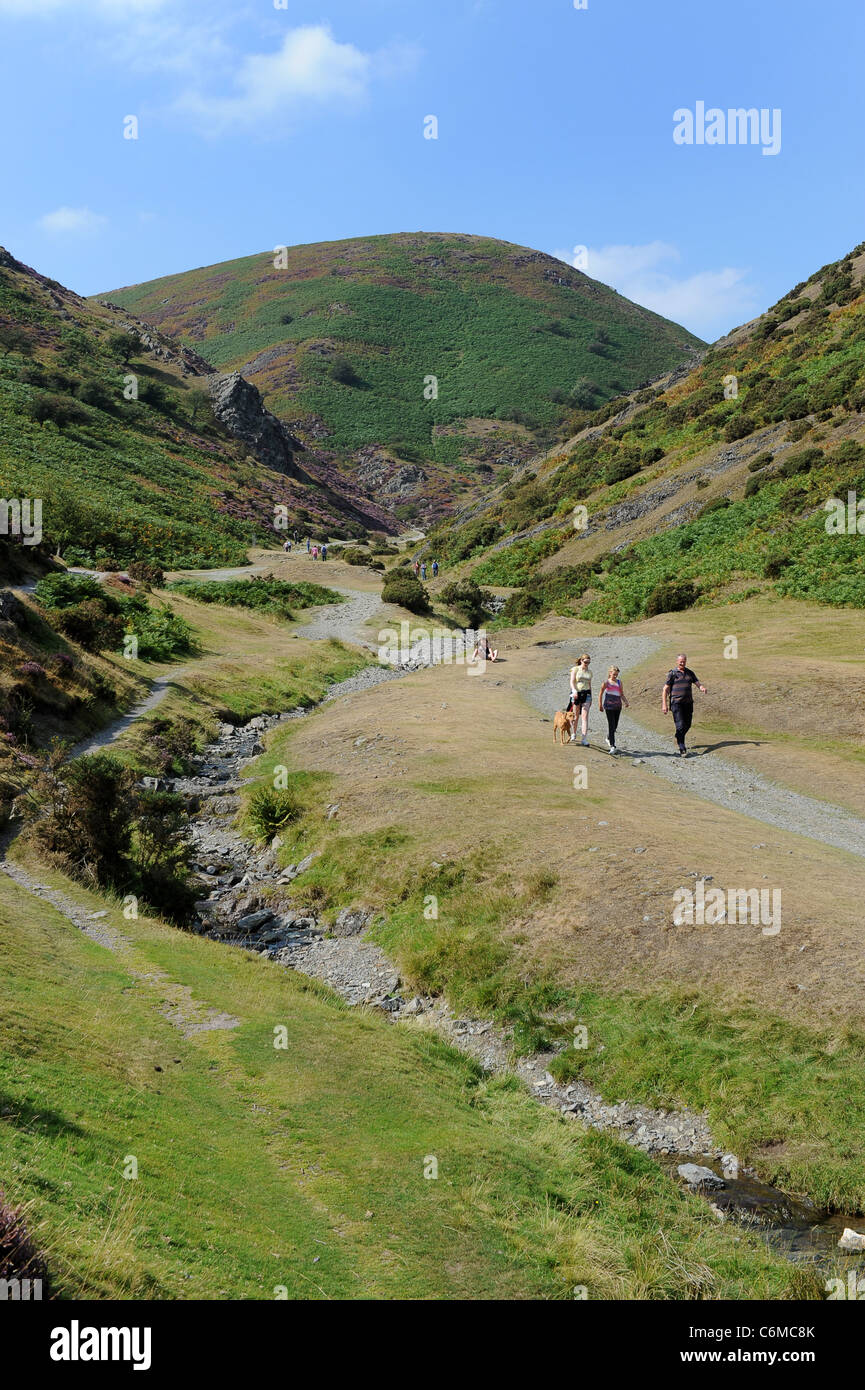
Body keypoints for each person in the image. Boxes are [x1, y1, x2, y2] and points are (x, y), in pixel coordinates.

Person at [662, 652, 708, 757]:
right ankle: (682, 748)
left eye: (684, 661)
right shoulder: (672, 674)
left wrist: (702, 688)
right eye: (680, 661)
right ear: (677, 661)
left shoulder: (690, 673)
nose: (682, 663)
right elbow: (665, 690)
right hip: (676, 704)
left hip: (688, 703)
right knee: (680, 725)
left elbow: (697, 683)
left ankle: (678, 735)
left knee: (687, 725)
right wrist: (664, 705)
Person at [598, 665, 629, 755]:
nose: (615, 676)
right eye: (614, 674)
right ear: (610, 673)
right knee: (611, 725)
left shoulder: (619, 682)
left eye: (617, 674)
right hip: (608, 706)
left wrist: (626, 702)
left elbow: (621, 694)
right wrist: (600, 705)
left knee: (615, 726)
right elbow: (600, 694)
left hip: (617, 706)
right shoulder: (606, 683)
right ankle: (613, 746)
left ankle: (608, 737)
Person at [567, 653, 592, 745]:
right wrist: (574, 691)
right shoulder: (575, 669)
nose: (587, 664)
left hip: (586, 694)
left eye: (589, 662)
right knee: (576, 715)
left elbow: (589, 684)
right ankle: (573, 733)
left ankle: (584, 738)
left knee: (585, 717)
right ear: (581, 661)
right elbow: (572, 681)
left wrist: (591, 696)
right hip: (577, 693)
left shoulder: (589, 672)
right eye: (585, 662)